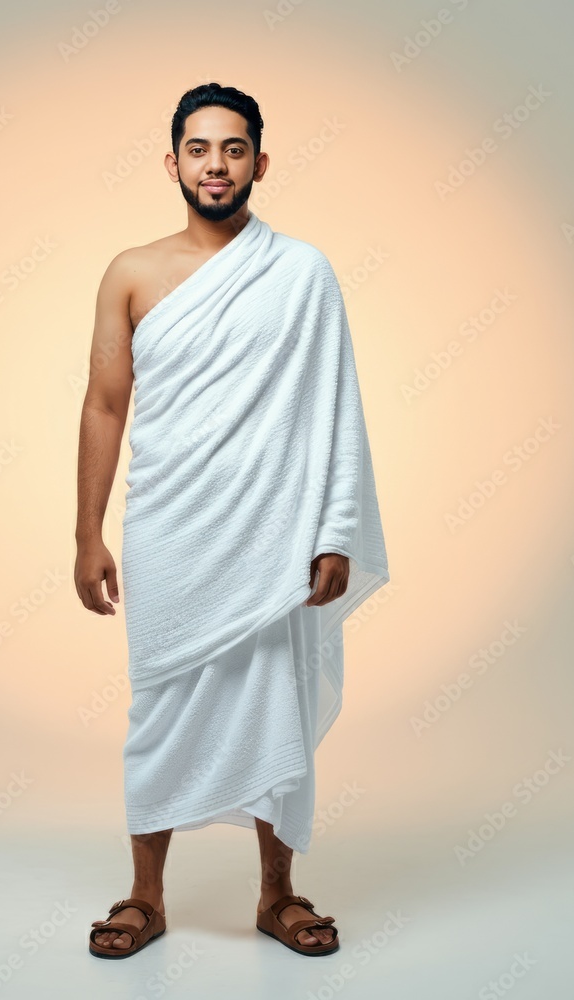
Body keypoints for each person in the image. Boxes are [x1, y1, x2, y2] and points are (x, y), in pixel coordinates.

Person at [75, 82, 388, 959]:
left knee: (273, 705)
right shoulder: (131, 272)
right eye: (201, 148)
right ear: (173, 161)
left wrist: (334, 528)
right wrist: (86, 533)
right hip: (170, 527)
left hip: (273, 531)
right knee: (161, 708)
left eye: (235, 148)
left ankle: (277, 895)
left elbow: (336, 405)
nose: (217, 165)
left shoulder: (302, 271)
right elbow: (105, 405)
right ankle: (145, 898)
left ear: (259, 160)